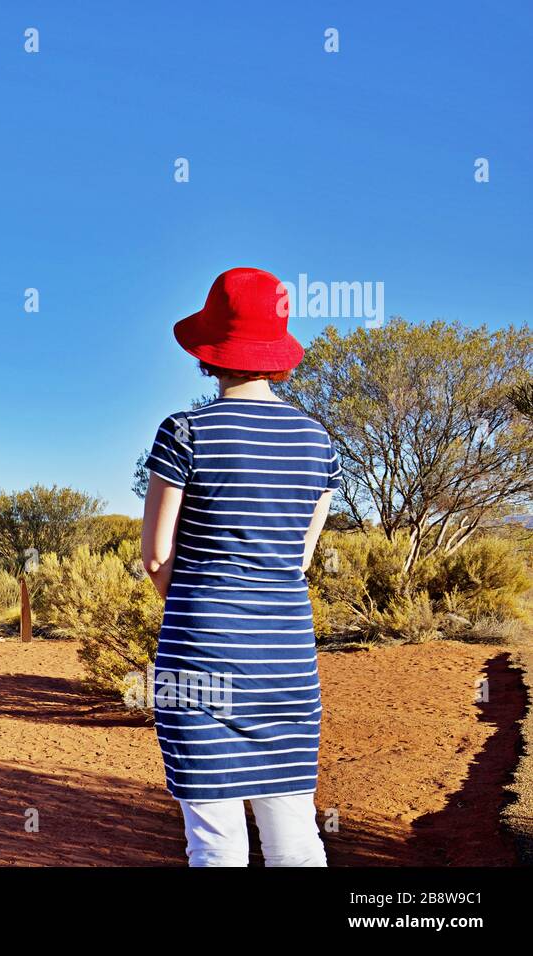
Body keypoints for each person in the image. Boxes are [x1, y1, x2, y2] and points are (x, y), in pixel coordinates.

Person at [141, 267, 340, 867]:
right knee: (296, 838)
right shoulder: (318, 442)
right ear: (275, 352)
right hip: (285, 660)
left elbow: (155, 556)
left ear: (210, 352)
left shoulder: (185, 432)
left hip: (199, 654)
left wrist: (202, 605)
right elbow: (298, 560)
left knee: (215, 844)